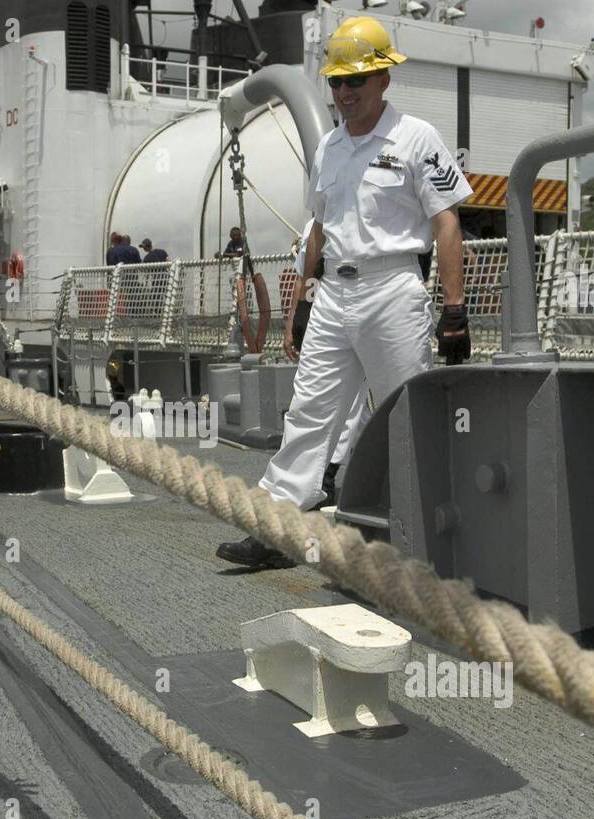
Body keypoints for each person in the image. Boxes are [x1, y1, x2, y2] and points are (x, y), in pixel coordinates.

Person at [218, 16, 471, 568]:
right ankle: (276, 531)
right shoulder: (329, 148)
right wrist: (301, 305)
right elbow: (318, 229)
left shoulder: (417, 139)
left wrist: (454, 310)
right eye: (335, 82)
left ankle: (427, 536)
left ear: (384, 78)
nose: (343, 92)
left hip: (393, 290)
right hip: (333, 294)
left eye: (355, 80)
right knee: (308, 413)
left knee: (405, 415)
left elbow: (448, 223)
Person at [283, 218, 365, 509]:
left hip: (369, 308)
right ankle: (322, 477)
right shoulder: (312, 227)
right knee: (313, 398)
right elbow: (305, 276)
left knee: (358, 403)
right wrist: (296, 317)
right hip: (325, 318)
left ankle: (330, 475)